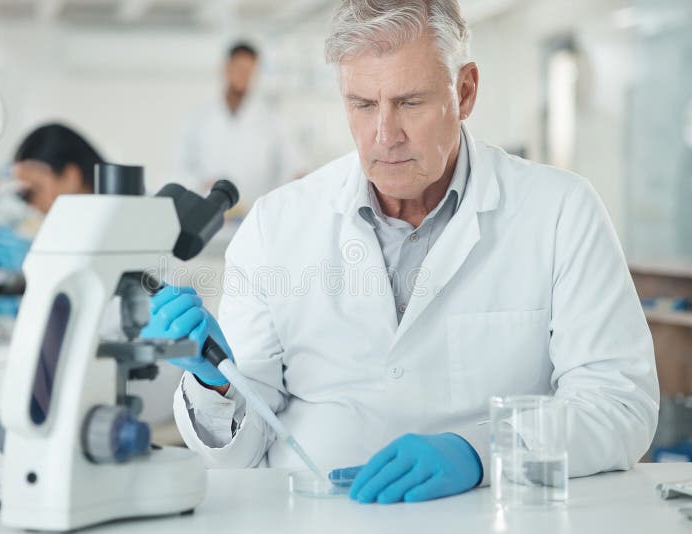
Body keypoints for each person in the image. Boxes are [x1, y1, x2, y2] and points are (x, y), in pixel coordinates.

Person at [142, 0, 659, 505]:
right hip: (314, 518)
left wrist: (482, 452)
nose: (384, 135)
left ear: (466, 90)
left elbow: (618, 404)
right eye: (362, 105)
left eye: (410, 102)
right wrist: (215, 384)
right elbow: (241, 451)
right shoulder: (277, 224)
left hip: (491, 514)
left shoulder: (560, 210)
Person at [177, 41, 302, 213]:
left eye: (249, 71)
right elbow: (181, 167)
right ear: (226, 69)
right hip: (208, 212)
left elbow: (291, 165)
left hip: (254, 213)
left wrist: (300, 178)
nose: (244, 76)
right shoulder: (199, 119)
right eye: (239, 69)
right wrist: (201, 183)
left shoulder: (271, 120)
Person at [0, 123, 104, 270]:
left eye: (35, 189)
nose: (30, 203)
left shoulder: (116, 231)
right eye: (24, 196)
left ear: (70, 177)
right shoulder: (74, 232)